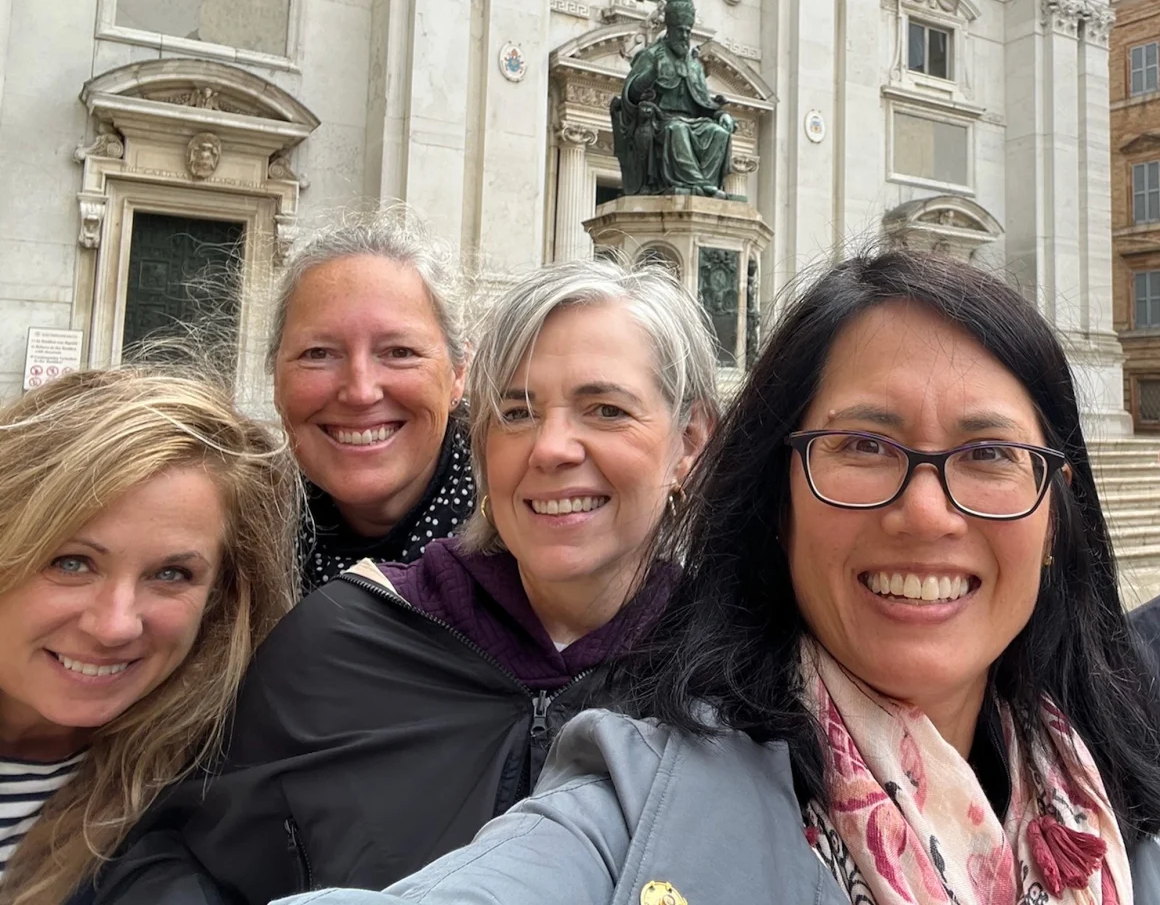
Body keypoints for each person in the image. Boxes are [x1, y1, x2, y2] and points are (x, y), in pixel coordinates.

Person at [273, 251, 1160, 905]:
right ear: (778, 501)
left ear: (1058, 511)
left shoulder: (1128, 774)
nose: (927, 514)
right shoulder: (638, 785)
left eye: (990, 453)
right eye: (862, 445)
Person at [95, 258, 717, 904]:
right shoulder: (337, 637)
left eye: (607, 410)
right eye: (517, 412)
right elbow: (178, 860)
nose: (552, 448)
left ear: (690, 441)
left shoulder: (736, 676)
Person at [0, 367, 297, 905]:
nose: (116, 625)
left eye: (171, 574)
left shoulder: (214, 811)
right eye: (71, 563)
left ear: (220, 599)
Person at [268, 212, 474, 591]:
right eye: (318, 354)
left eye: (399, 352)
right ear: (275, 378)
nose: (360, 392)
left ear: (457, 374)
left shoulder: (535, 542)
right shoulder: (234, 543)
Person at [609, 0, 734, 198]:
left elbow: (704, 103)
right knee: (677, 130)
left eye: (688, 31)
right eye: (680, 31)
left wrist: (721, 114)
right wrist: (651, 74)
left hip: (694, 121)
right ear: (670, 30)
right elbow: (630, 94)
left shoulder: (694, 65)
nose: (684, 36)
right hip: (662, 120)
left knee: (719, 133)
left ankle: (704, 188)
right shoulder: (652, 55)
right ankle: (699, 184)